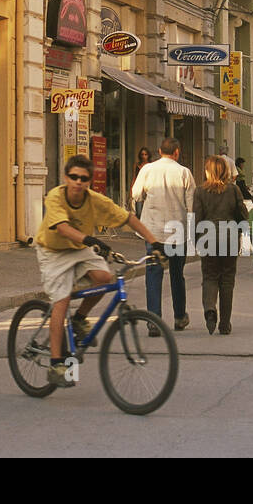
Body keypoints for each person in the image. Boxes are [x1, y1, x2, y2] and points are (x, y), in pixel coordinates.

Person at [35, 155, 160, 385]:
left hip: (79, 248)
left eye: (83, 178)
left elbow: (128, 218)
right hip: (52, 251)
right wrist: (91, 240)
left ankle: (80, 318)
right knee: (61, 302)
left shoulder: (94, 200)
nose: (78, 182)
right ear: (66, 178)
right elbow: (62, 228)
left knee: (105, 277)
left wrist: (155, 243)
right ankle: (56, 365)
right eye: (73, 177)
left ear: (89, 182)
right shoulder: (55, 196)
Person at [131, 137, 196, 329]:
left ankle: (154, 321)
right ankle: (179, 317)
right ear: (177, 152)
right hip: (177, 232)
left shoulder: (147, 169)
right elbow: (191, 206)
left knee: (153, 274)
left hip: (153, 231)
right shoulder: (184, 172)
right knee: (177, 274)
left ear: (159, 151)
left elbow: (136, 194)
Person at [193, 156, 243, 335]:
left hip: (207, 238)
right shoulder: (234, 190)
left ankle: (209, 308)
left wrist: (196, 239)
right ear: (226, 171)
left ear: (208, 172)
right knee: (227, 281)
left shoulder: (199, 191)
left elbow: (197, 218)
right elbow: (242, 215)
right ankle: (224, 324)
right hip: (229, 238)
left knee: (210, 276)